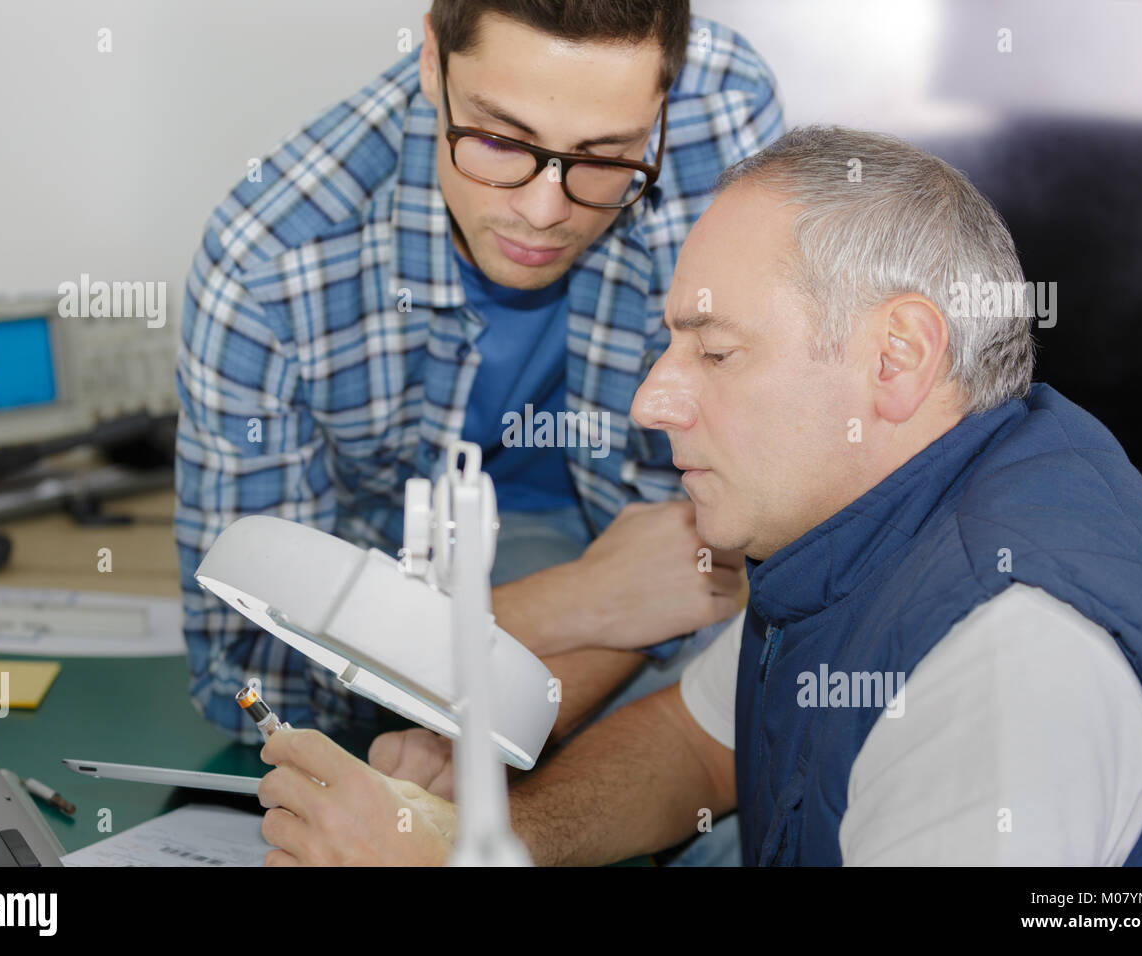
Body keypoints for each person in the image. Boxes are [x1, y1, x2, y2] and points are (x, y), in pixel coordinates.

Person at [252, 126, 1142, 866]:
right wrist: (478, 841)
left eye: (716, 352)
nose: (651, 399)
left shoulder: (1005, 673)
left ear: (898, 358)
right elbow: (694, 746)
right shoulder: (872, 509)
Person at [174, 0, 782, 784]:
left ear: (663, 101)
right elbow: (243, 670)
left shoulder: (723, 106)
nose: (543, 212)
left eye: (607, 155)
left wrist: (500, 697)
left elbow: (703, 559)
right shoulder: (268, 268)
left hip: (639, 546)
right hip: (422, 570)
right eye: (497, 140)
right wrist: (566, 605)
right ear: (432, 58)